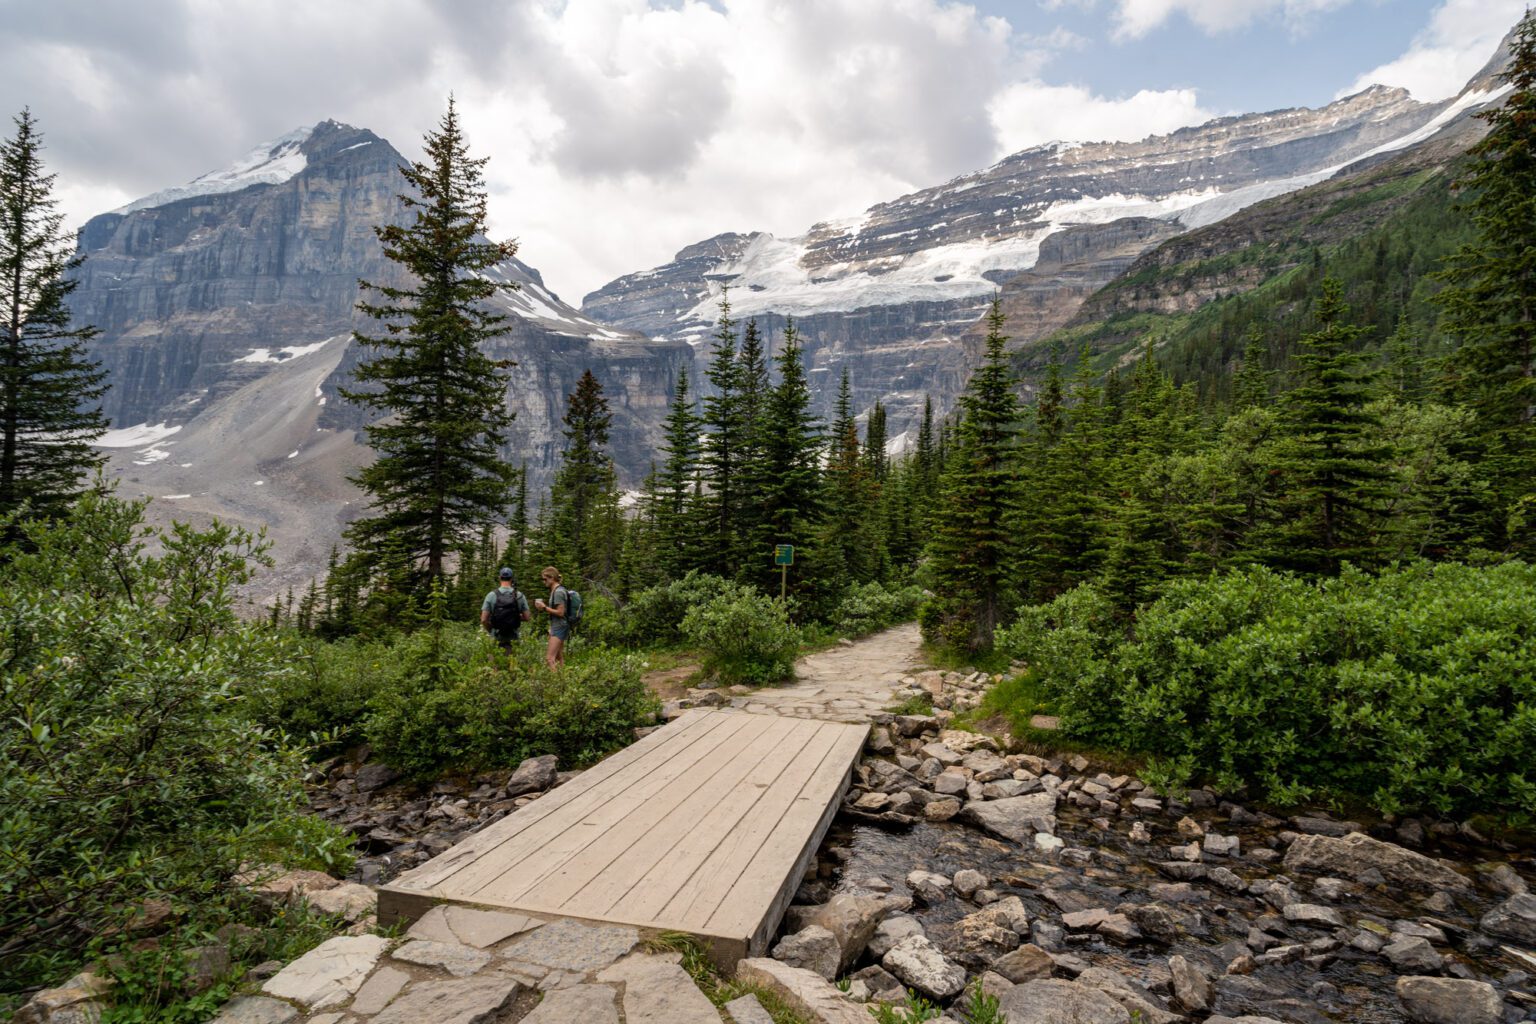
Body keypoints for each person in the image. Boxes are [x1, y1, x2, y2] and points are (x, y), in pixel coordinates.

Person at [480, 567, 530, 650]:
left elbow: (483, 620)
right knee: (513, 658)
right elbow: (527, 617)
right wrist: (514, 617)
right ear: (512, 579)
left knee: (495, 657)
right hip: (514, 637)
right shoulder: (519, 595)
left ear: (499, 578)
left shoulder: (491, 595)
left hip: (496, 637)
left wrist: (491, 630)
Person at [533, 565, 569, 669]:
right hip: (558, 626)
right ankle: (563, 677)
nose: (543, 582)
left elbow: (560, 612)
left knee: (549, 659)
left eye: (545, 579)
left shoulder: (558, 592)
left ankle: (555, 679)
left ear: (552, 578)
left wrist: (544, 607)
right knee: (558, 657)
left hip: (559, 627)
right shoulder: (556, 590)